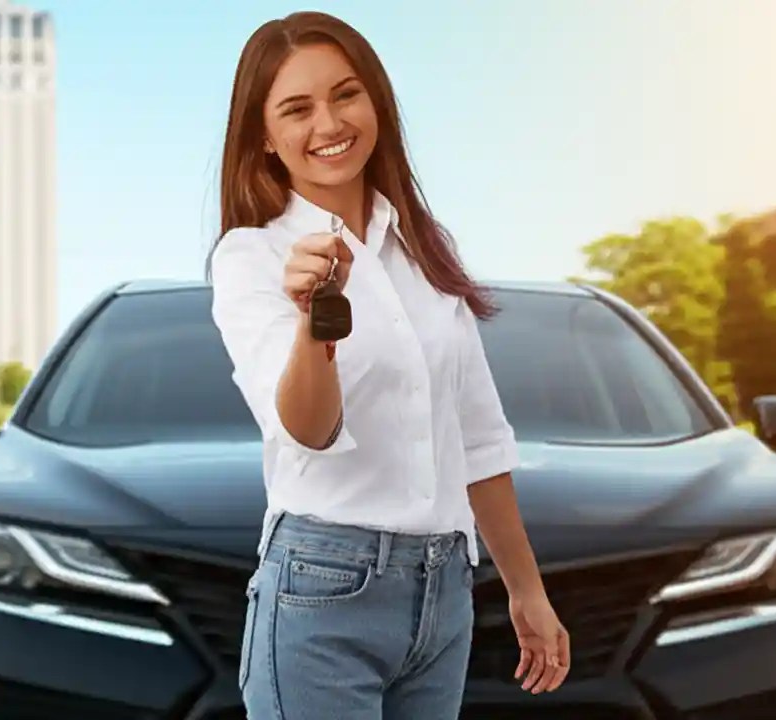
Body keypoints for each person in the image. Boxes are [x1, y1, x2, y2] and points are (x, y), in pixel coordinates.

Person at [207, 10, 571, 718]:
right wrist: (318, 320)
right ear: (266, 137)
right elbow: (306, 429)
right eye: (297, 109)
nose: (329, 123)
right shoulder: (251, 257)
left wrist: (527, 589)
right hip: (322, 593)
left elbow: (478, 436)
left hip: (443, 596)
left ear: (376, 100)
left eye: (346, 94)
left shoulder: (424, 246)